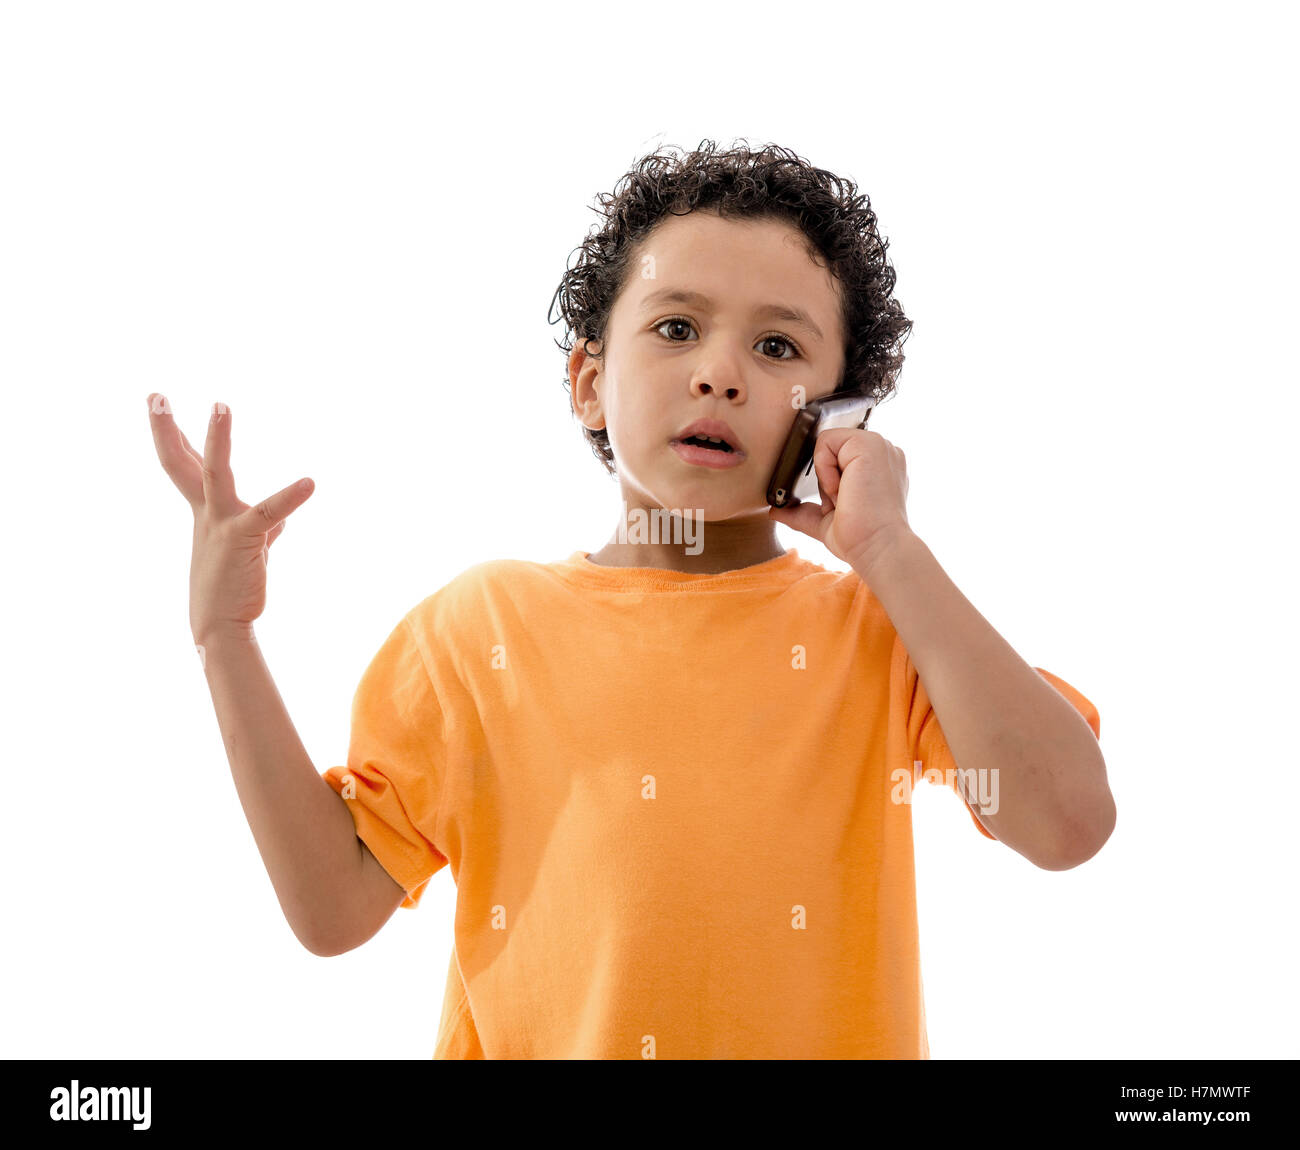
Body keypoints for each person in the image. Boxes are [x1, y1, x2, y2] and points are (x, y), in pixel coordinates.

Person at [147, 139, 1113, 1060]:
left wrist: (892, 552)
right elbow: (332, 906)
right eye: (677, 327)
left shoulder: (885, 631)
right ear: (588, 383)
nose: (718, 372)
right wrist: (224, 636)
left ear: (837, 416)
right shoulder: (479, 630)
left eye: (778, 345)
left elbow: (1066, 822)